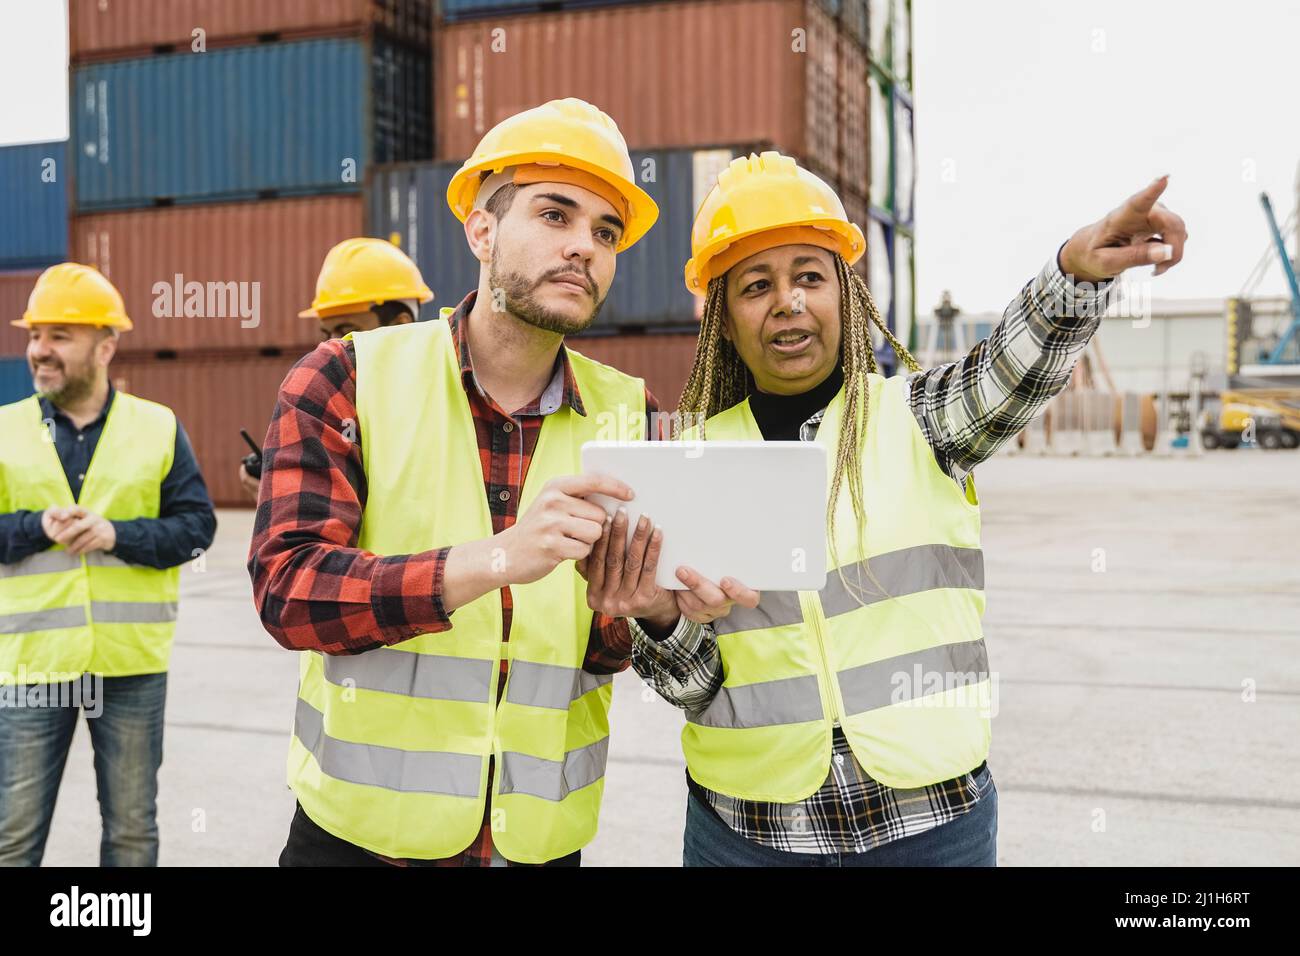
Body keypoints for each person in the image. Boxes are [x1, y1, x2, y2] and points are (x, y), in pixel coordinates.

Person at [628, 151, 1186, 866]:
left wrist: (1077, 274)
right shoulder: (690, 465)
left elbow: (1016, 367)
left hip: (930, 826)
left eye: (809, 276)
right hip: (749, 833)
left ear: (846, 296)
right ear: (725, 323)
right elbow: (693, 686)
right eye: (755, 285)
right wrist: (662, 618)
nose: (788, 302)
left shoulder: (922, 417)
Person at [247, 98, 743, 867]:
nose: (584, 247)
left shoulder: (632, 414)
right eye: (555, 214)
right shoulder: (346, 377)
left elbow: (599, 651)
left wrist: (648, 611)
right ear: (481, 229)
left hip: (538, 844)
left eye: (605, 232)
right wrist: (495, 559)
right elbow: (288, 590)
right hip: (360, 842)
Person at [0, 262, 217, 866]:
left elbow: (197, 528)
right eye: (34, 336)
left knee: (130, 832)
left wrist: (115, 534)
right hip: (31, 665)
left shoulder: (158, 427)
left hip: (130, 667)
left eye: (58, 337)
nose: (39, 350)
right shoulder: (3, 430)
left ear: (106, 346)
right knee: (12, 838)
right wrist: (34, 527)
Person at [236, 237, 432, 499]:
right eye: (327, 333)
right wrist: (282, 493)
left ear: (401, 323)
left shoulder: (444, 400)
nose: (332, 347)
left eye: (347, 331)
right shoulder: (330, 405)